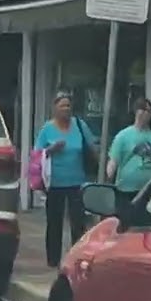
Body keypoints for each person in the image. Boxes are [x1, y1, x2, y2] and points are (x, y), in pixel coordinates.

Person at [34, 92, 98, 268]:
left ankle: (76, 258)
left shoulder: (79, 125)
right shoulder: (47, 129)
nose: (66, 109)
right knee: (54, 222)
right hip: (54, 183)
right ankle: (53, 260)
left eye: (68, 106)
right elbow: (37, 153)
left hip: (77, 182)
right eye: (62, 106)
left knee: (78, 222)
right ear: (54, 108)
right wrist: (52, 149)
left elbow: (91, 146)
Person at [107, 98, 151, 212]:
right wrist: (110, 173)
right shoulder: (123, 136)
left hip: (148, 190)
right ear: (136, 111)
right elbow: (114, 160)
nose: (145, 113)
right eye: (142, 109)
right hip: (125, 190)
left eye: (149, 111)